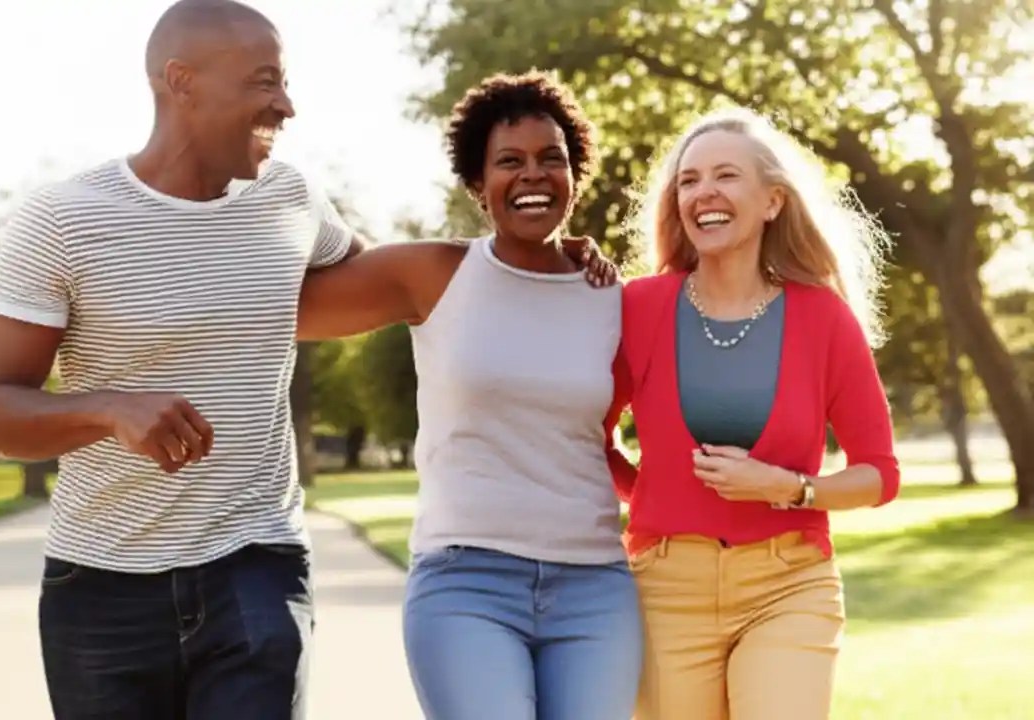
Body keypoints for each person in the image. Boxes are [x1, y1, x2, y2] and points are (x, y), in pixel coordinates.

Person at [0, 1, 366, 717]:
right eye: (264, 81)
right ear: (181, 82)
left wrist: (534, 258)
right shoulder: (63, 221)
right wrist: (109, 411)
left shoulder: (292, 198)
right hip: (101, 587)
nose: (287, 105)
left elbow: (384, 282)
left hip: (255, 563)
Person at [296, 71, 641, 720]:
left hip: (595, 584)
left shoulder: (612, 296)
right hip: (467, 582)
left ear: (575, 176)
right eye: (510, 162)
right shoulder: (435, 274)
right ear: (480, 187)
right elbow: (288, 310)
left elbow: (612, 437)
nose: (533, 175)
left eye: (551, 160)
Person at [610, 106, 901, 720]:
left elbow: (879, 473)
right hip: (664, 592)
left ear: (772, 201)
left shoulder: (824, 318)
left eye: (725, 175)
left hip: (788, 583)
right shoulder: (638, 307)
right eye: (688, 180)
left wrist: (789, 488)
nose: (704, 192)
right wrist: (653, 495)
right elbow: (587, 434)